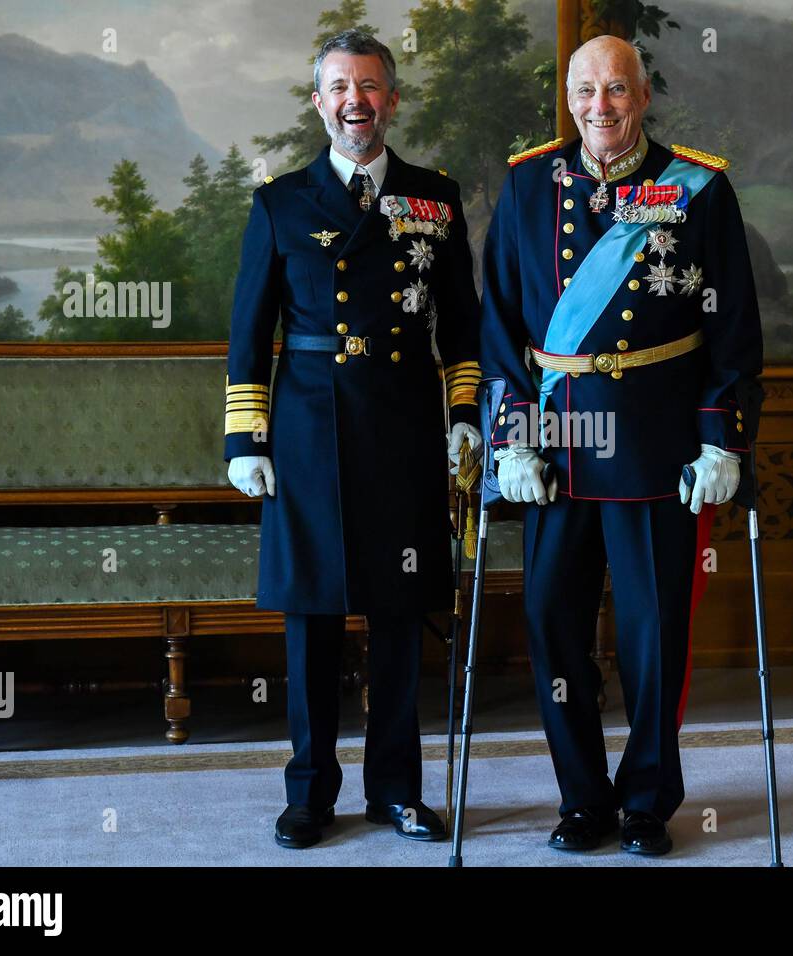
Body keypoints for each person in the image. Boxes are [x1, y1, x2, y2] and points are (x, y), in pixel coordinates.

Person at [479, 34, 763, 856]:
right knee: (550, 623)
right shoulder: (530, 183)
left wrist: (723, 442)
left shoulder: (699, 189)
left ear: (643, 96)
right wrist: (511, 441)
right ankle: (581, 799)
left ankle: (646, 799)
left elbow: (732, 331)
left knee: (653, 631)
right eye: (584, 92)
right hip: (558, 444)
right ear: (567, 100)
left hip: (655, 441)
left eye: (616, 90)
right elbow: (500, 327)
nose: (599, 107)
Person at [224, 29, 481, 850]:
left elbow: (464, 325)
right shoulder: (281, 203)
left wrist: (466, 415)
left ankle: (398, 791)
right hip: (306, 431)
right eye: (339, 88)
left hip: (405, 428)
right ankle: (310, 795)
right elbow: (249, 330)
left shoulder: (435, 198)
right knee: (313, 618)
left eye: (369, 87)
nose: (355, 103)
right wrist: (245, 440)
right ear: (318, 101)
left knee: (401, 615)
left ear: (393, 99)